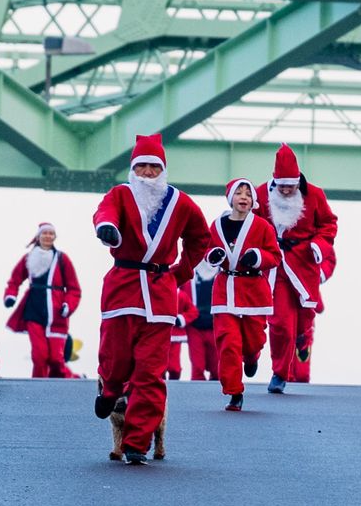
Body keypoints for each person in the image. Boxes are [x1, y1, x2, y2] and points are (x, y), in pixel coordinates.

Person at [91, 134, 213, 465]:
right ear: (133, 169)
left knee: (150, 372)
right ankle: (111, 390)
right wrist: (107, 229)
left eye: (153, 166)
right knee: (115, 358)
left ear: (162, 170)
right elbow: (105, 213)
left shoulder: (181, 203)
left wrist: (181, 273)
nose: (147, 172)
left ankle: (137, 443)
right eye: (141, 166)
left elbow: (201, 238)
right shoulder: (120, 194)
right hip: (122, 287)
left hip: (160, 294)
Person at [259, 144, 339, 394]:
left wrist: (318, 246)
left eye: (289, 186)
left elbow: (329, 224)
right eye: (281, 185)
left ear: (297, 181)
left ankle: (302, 337)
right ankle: (279, 374)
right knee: (281, 323)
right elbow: (249, 224)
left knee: (304, 319)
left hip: (304, 266)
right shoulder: (261, 194)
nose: (285, 190)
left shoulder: (314, 194)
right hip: (276, 267)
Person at [196, 178, 279, 411]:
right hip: (225, 289)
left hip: (254, 291)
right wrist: (213, 256)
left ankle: (252, 357)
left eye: (248, 194)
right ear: (230, 198)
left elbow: (275, 256)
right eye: (239, 193)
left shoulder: (263, 227)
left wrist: (257, 257)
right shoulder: (217, 225)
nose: (244, 197)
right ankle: (234, 391)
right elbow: (208, 250)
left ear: (253, 201)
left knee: (254, 339)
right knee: (228, 342)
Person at [2, 222, 81, 378]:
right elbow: (14, 280)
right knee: (39, 356)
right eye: (44, 233)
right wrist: (10, 295)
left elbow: (74, 289)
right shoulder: (29, 258)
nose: (47, 236)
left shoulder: (62, 259)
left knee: (56, 360)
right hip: (33, 310)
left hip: (57, 313)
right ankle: (38, 390)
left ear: (55, 237)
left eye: (51, 233)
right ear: (38, 237)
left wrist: (68, 305)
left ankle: (71, 381)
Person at [184, 276, 218, 381]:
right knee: (197, 368)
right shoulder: (188, 276)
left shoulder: (222, 273)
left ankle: (217, 395)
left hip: (215, 325)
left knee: (217, 369)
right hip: (195, 326)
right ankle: (196, 394)